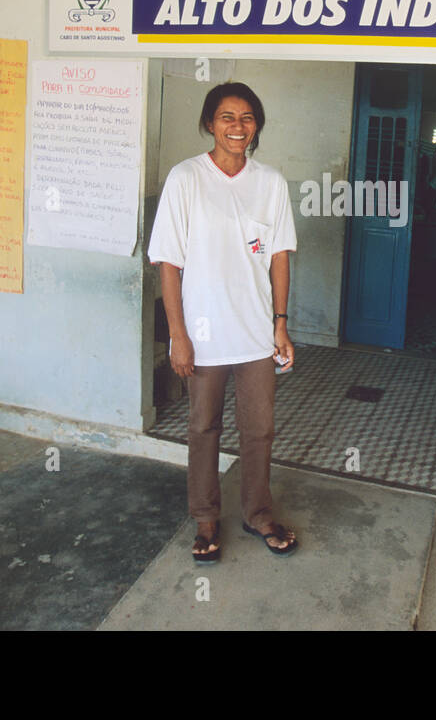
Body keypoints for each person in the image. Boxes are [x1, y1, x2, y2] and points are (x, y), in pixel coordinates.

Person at [148, 81, 299, 563]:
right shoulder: (185, 178)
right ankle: (206, 517)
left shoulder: (270, 182)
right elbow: (168, 262)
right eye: (228, 117)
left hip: (256, 332)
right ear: (210, 123)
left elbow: (278, 258)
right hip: (203, 332)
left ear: (257, 126)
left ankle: (257, 513)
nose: (238, 126)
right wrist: (178, 335)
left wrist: (280, 324)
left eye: (248, 117)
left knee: (260, 430)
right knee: (203, 426)